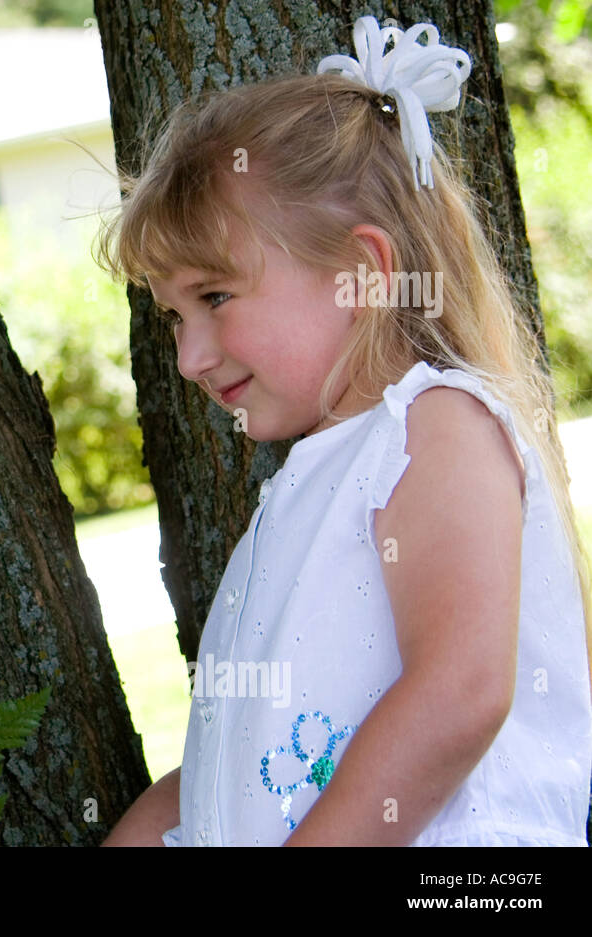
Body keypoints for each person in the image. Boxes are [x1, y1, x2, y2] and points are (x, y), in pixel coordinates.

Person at [95, 17, 592, 846]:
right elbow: (228, 763)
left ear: (364, 269)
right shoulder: (307, 485)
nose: (186, 357)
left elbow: (460, 688)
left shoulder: (436, 426)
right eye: (173, 315)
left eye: (215, 298)